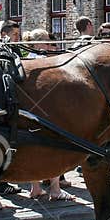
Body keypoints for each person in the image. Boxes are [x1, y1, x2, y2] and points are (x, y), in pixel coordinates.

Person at [21, 30, 74, 202]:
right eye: (46, 42)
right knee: (55, 148)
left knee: (33, 150)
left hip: (32, 111)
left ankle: (36, 188)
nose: (49, 45)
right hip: (46, 110)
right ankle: (55, 189)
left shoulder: (27, 59)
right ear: (37, 44)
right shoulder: (40, 60)